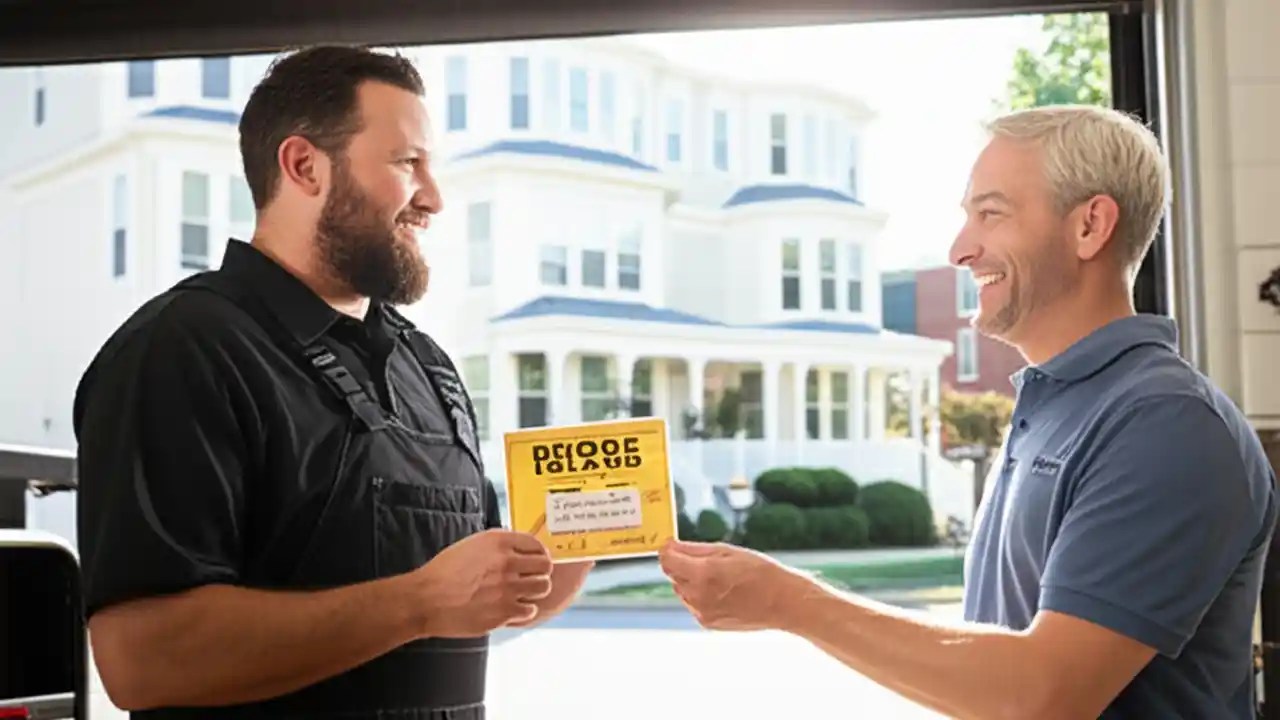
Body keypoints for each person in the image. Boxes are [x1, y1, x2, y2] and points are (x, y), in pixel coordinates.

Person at [660, 104, 1278, 719]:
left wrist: (790, 603)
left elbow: (1041, 696)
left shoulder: (1166, 425)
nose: (961, 249)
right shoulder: (1053, 408)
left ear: (1090, 226)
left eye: (991, 214)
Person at [72, 45, 592, 719]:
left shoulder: (428, 368)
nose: (433, 197)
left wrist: (576, 545)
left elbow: (472, 597)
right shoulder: (182, 351)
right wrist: (420, 601)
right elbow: (143, 661)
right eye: (409, 164)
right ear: (304, 166)